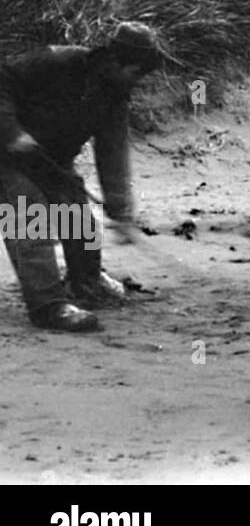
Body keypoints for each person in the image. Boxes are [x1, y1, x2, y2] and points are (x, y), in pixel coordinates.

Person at [0, 22, 164, 333]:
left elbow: (112, 154)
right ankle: (47, 307)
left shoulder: (115, 96)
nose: (137, 81)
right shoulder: (58, 61)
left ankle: (86, 283)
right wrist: (11, 131)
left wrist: (120, 209)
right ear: (116, 60)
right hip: (5, 155)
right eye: (136, 72)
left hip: (51, 161)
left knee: (78, 219)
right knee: (28, 218)